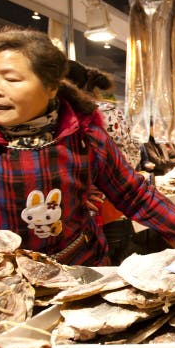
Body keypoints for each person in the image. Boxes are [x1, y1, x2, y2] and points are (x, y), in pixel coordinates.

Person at [0, 27, 175, 265]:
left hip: (75, 271)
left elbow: (130, 191)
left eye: (11, 79)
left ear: (51, 87)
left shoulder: (84, 135)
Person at [66, 60, 141, 263]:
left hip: (77, 212)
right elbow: (131, 155)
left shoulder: (66, 116)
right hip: (112, 203)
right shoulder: (109, 111)